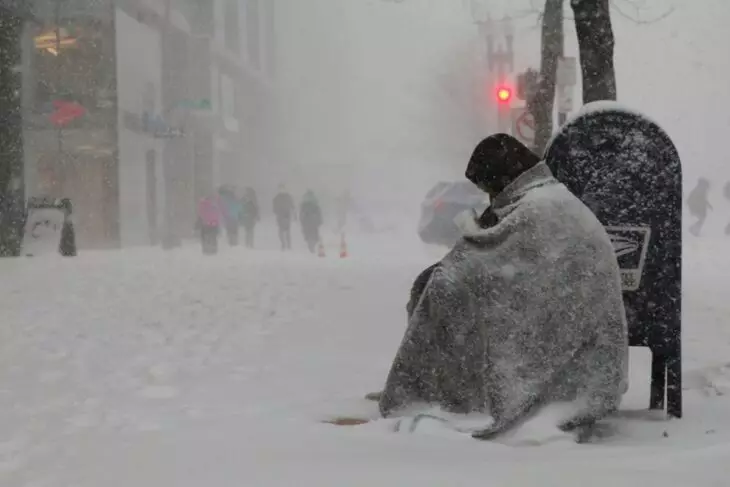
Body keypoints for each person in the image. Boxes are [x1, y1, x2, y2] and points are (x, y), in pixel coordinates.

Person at [377, 134, 628, 441]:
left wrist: (455, 266)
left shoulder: (539, 208)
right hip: (567, 318)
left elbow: (491, 262)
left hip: (574, 339)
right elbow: (505, 261)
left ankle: (443, 393)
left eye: (488, 186)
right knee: (436, 284)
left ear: (503, 177)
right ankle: (439, 389)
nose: (489, 195)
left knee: (444, 289)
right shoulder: (541, 198)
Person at [273, 184, 296, 250]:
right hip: (280, 216)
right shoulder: (277, 197)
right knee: (281, 231)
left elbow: (292, 205)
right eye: (280, 188)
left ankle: (288, 244)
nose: (282, 190)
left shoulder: (287, 197)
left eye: (283, 188)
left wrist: (294, 213)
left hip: (287, 215)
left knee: (287, 231)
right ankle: (283, 243)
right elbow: (274, 208)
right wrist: (276, 211)